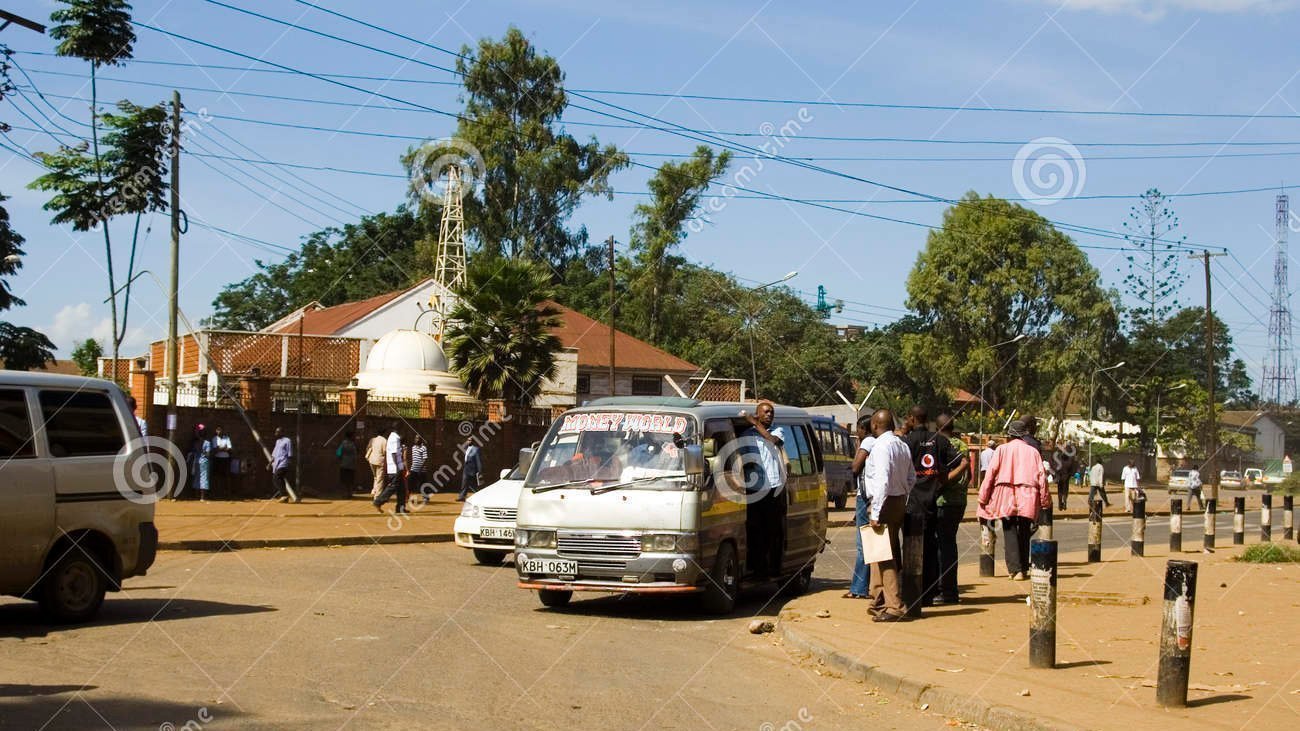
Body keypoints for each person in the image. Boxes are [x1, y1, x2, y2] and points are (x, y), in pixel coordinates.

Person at [899, 405, 964, 608]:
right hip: (932, 502)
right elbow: (960, 462)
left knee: (910, 548)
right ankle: (929, 593)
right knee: (931, 548)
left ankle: (912, 595)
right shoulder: (940, 440)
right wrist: (941, 481)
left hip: (912, 502)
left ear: (911, 418)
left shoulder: (907, 442)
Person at [978, 419, 1050, 580]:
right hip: (1028, 494)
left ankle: (1015, 569)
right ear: (1025, 435)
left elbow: (990, 475)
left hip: (1005, 494)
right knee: (1024, 531)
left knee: (1009, 529)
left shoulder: (1001, 450)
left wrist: (983, 496)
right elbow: (1042, 478)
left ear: (1009, 434)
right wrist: (1045, 500)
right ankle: (1023, 568)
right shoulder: (1033, 452)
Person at [862, 409, 915, 622]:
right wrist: (903, 495)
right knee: (878, 552)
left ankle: (895, 606)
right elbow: (912, 477)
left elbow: (882, 480)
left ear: (875, 425)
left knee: (885, 556)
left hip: (883, 502)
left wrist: (876, 510)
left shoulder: (881, 447)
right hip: (898, 500)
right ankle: (878, 600)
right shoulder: (901, 445)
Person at [739, 399, 788, 579]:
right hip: (754, 489)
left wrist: (755, 423)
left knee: (773, 530)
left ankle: (773, 568)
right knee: (756, 530)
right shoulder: (746, 435)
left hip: (773, 488)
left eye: (771, 413)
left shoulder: (777, 431)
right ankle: (758, 569)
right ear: (758, 413)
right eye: (766, 412)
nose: (769, 415)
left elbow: (773, 441)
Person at [931, 413, 968, 605]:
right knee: (949, 546)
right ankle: (950, 590)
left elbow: (942, 477)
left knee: (941, 548)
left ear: (937, 428)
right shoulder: (963, 446)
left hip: (943, 502)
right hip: (959, 502)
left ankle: (945, 591)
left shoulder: (939, 445)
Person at [846, 415, 875, 599]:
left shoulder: (868, 443)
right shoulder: (877, 442)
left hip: (864, 498)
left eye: (858, 429)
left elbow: (855, 467)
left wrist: (859, 446)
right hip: (871, 497)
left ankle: (859, 588)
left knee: (862, 544)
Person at [374, 424, 408, 513]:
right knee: (392, 487)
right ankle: (378, 502)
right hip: (395, 469)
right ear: (398, 428)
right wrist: (397, 467)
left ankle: (400, 508)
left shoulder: (395, 437)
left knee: (401, 490)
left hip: (397, 468)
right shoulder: (394, 438)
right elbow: (393, 453)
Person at [268, 427, 294, 502]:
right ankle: (284, 498)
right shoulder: (277, 441)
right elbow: (274, 454)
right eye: (276, 431)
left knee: (277, 476)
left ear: (282, 432)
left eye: (277, 432)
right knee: (275, 479)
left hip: (284, 462)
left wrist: (289, 462)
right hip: (277, 464)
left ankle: (284, 495)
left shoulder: (287, 441)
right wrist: (269, 463)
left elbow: (290, 453)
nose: (276, 433)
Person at [189, 424, 211, 502]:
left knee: (199, 477)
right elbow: (208, 454)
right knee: (201, 478)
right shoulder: (205, 443)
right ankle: (201, 497)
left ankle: (199, 496)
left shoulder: (201, 442)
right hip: (201, 461)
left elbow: (207, 454)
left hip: (200, 461)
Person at [210, 425, 232, 499]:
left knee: (227, 476)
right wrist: (223, 448)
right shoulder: (214, 439)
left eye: (220, 430)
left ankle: (227, 493)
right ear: (216, 431)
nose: (219, 431)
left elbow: (229, 448)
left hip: (226, 459)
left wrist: (220, 448)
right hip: (217, 459)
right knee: (217, 476)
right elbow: (215, 450)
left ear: (222, 430)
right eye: (217, 430)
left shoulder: (227, 438)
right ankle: (217, 492)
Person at [365, 430, 387, 498]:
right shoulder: (384, 440)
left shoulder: (373, 439)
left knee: (375, 477)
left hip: (372, 460)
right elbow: (384, 452)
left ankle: (374, 490)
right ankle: (377, 496)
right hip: (380, 461)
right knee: (380, 478)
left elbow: (368, 448)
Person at [336, 430, 358, 498]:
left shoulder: (342, 444)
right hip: (351, 465)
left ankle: (344, 494)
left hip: (343, 464)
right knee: (350, 480)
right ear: (351, 436)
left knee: (344, 480)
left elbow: (338, 453)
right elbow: (355, 454)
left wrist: (341, 459)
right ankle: (349, 494)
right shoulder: (353, 445)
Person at [409, 435, 430, 502]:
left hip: (422, 470)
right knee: (412, 484)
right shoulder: (413, 448)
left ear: (421, 440)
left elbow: (425, 459)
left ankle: (425, 497)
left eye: (418, 438)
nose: (416, 439)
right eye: (415, 438)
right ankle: (411, 497)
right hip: (414, 469)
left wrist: (420, 469)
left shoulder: (423, 448)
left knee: (423, 484)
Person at [1055, 443, 1074, 510]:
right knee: (1065, 491)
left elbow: (1056, 469)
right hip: (1066, 478)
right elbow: (1071, 470)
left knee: (1060, 492)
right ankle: (1065, 502)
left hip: (1060, 478)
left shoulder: (1059, 462)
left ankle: (1060, 505)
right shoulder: (1069, 462)